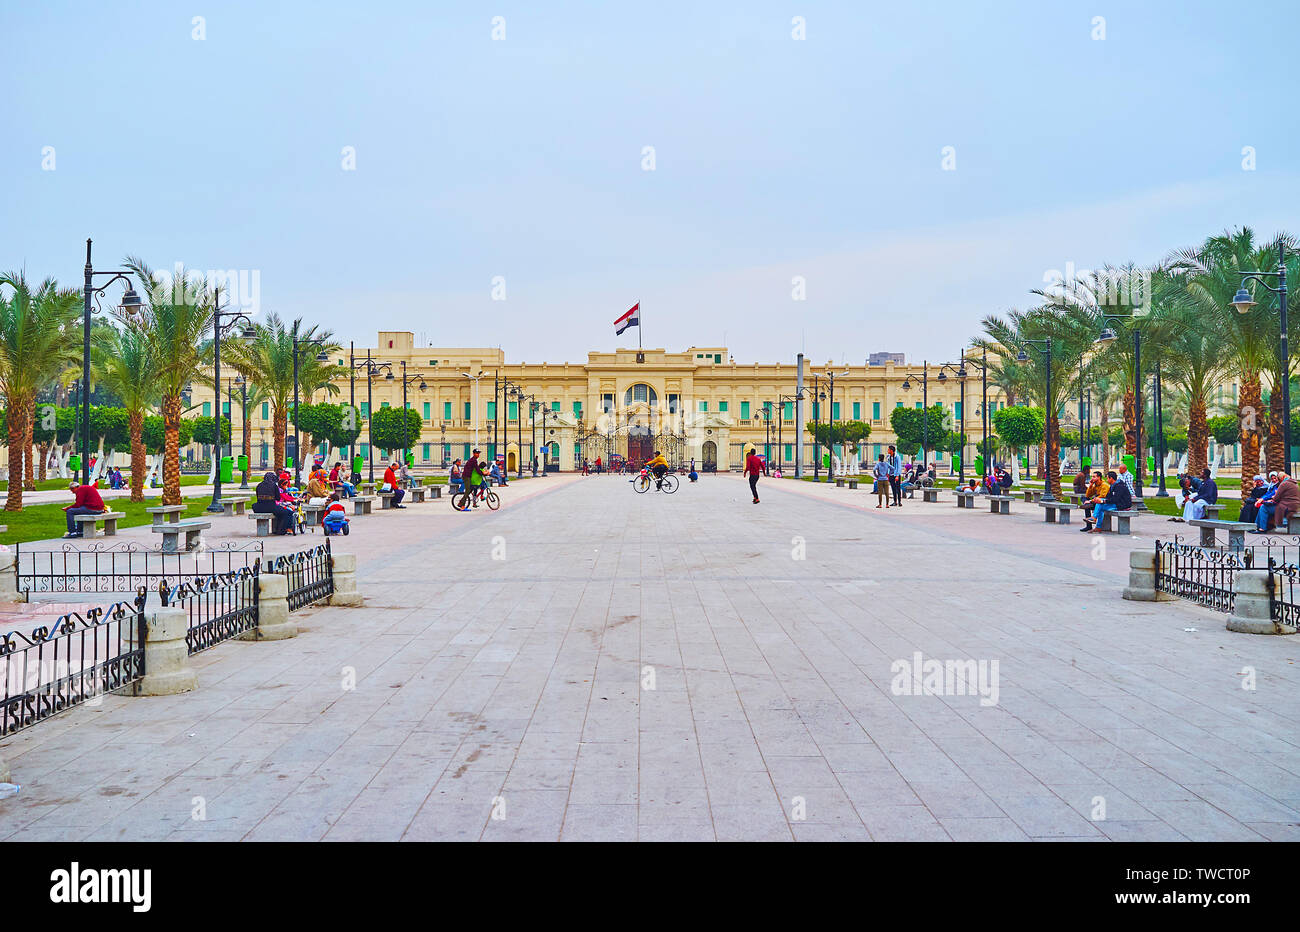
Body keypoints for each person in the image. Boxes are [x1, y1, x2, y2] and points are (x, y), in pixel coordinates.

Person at [253, 470, 295, 536]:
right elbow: (278, 498)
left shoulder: (259, 485)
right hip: (270, 507)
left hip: (259, 507)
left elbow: (257, 497)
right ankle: (281, 530)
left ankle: (278, 529)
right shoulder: (274, 485)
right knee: (287, 512)